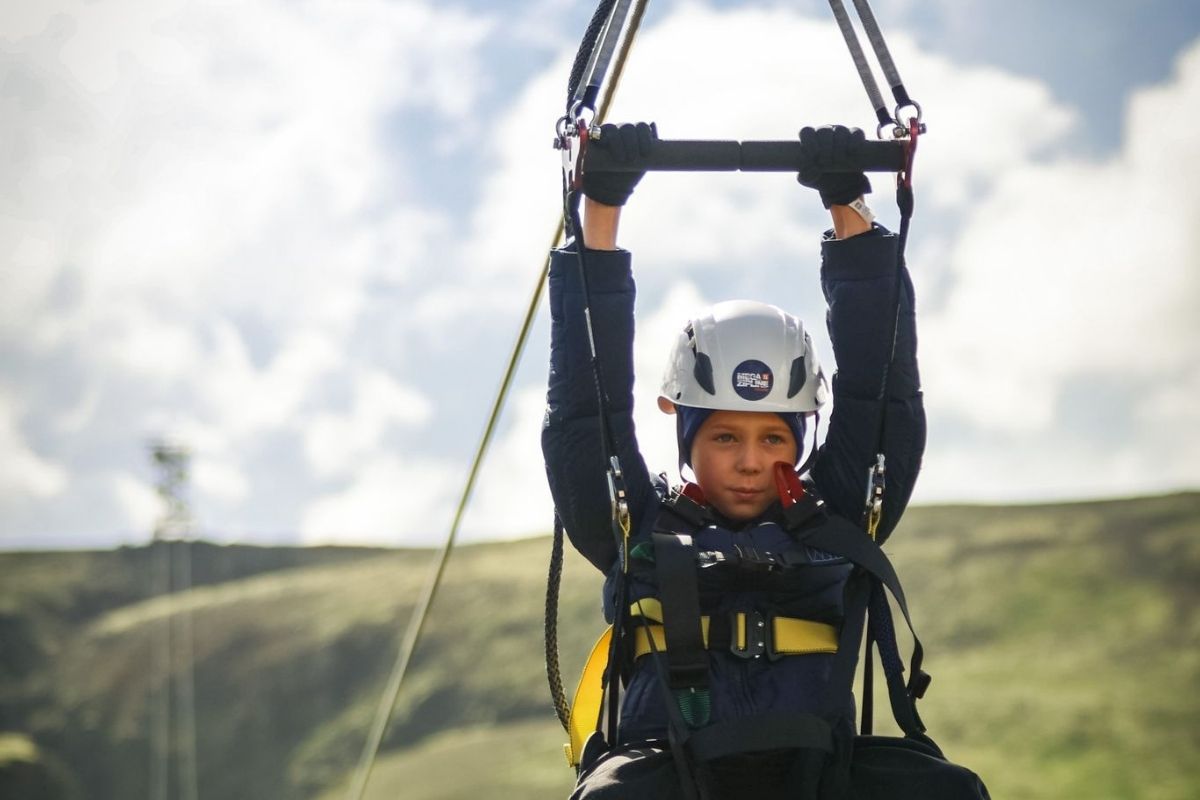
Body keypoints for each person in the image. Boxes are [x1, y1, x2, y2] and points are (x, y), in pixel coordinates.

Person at [542, 123, 926, 799]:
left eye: (774, 438)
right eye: (724, 438)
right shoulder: (637, 530)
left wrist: (850, 210)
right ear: (684, 429)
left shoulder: (837, 519)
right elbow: (588, 408)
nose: (750, 462)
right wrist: (600, 212)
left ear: (801, 437)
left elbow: (881, 390)